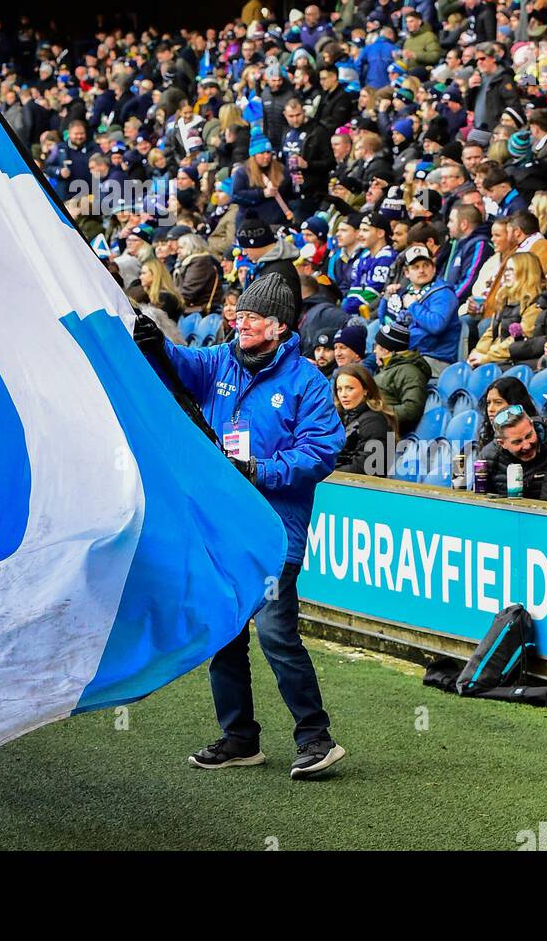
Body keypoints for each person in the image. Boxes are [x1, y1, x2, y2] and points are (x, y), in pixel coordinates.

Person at [157, 271, 347, 779]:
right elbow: (177, 365)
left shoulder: (306, 380)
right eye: (238, 315)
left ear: (280, 326)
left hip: (274, 529)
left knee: (276, 633)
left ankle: (316, 738)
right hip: (224, 528)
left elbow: (321, 452)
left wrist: (260, 470)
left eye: (253, 317)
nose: (241, 323)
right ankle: (239, 738)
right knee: (224, 632)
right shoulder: (219, 360)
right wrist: (149, 337)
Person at [379, 244, 460, 372]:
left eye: (426, 265)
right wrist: (386, 298)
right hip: (410, 356)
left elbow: (436, 325)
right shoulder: (405, 293)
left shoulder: (443, 293)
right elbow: (385, 322)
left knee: (393, 374)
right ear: (407, 273)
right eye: (415, 267)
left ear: (433, 269)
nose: (421, 271)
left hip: (435, 358)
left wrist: (412, 306)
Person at [332, 363, 396, 477]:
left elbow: (366, 466)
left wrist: (327, 474)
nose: (343, 395)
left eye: (350, 388)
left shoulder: (374, 421)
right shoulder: (343, 417)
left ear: (366, 390)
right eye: (339, 389)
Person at [372, 318, 431, 435]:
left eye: (377, 347)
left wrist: (379, 413)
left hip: (389, 433)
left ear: (386, 350)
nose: (374, 351)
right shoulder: (388, 368)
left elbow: (412, 409)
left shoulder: (409, 372)